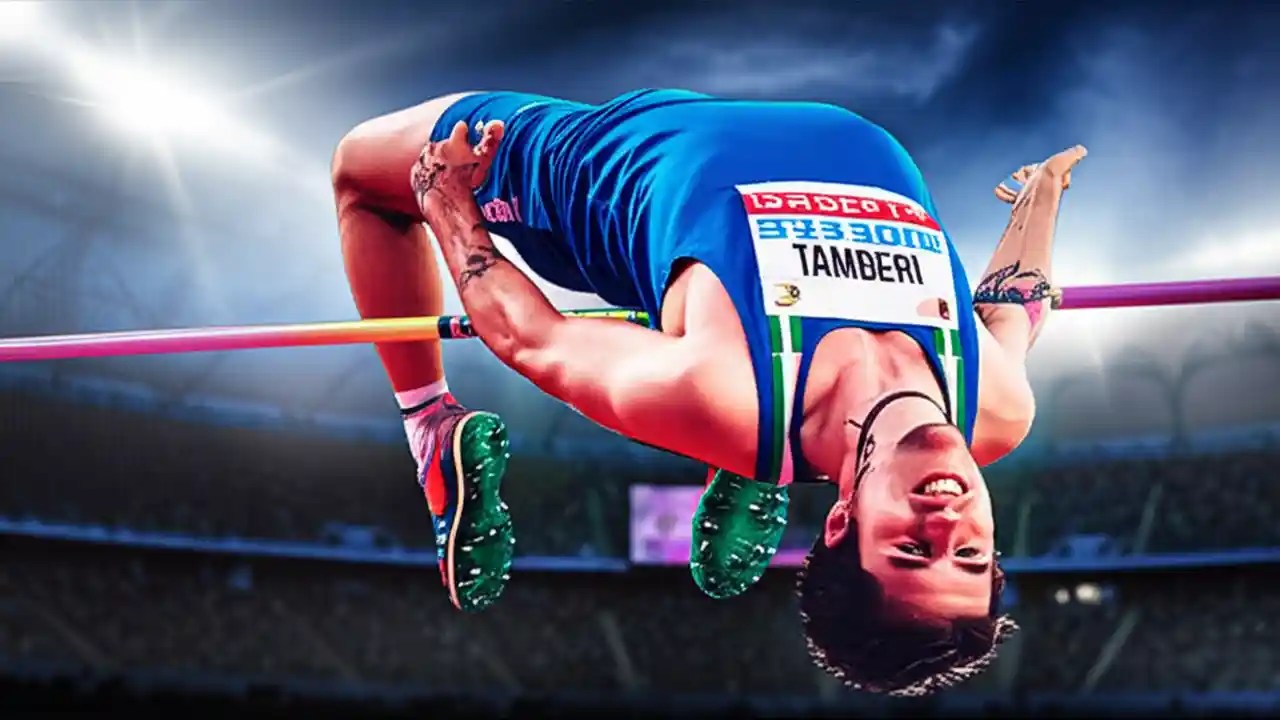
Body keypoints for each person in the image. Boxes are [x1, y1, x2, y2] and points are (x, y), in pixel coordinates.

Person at [331, 89, 1085, 695]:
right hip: (830, 142)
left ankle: (428, 422)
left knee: (361, 176)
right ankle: (761, 470)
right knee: (746, 416)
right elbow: (1014, 304)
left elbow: (538, 340)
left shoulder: (729, 395)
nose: (947, 520)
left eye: (913, 549)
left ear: (842, 523)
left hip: (610, 160)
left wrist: (448, 205)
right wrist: (1041, 199)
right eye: (971, 552)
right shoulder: (995, 405)